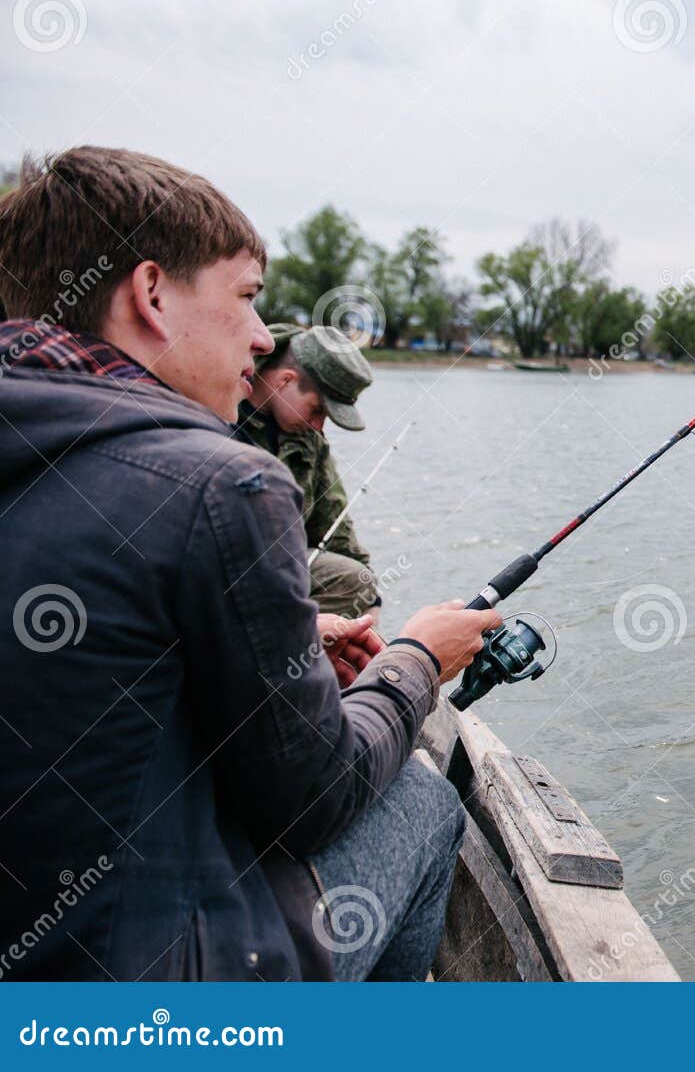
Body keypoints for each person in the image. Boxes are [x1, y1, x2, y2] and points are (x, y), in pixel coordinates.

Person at [0, 146, 502, 980]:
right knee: (421, 803)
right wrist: (417, 661)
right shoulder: (221, 485)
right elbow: (315, 801)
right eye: (245, 298)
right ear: (151, 294)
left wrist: (295, 630)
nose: (265, 336)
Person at [236, 323, 381, 621]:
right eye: (317, 410)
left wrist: (370, 597)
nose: (318, 426)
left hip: (280, 569)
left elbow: (334, 524)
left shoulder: (309, 440)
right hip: (220, 567)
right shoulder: (214, 405)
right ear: (285, 381)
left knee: (356, 579)